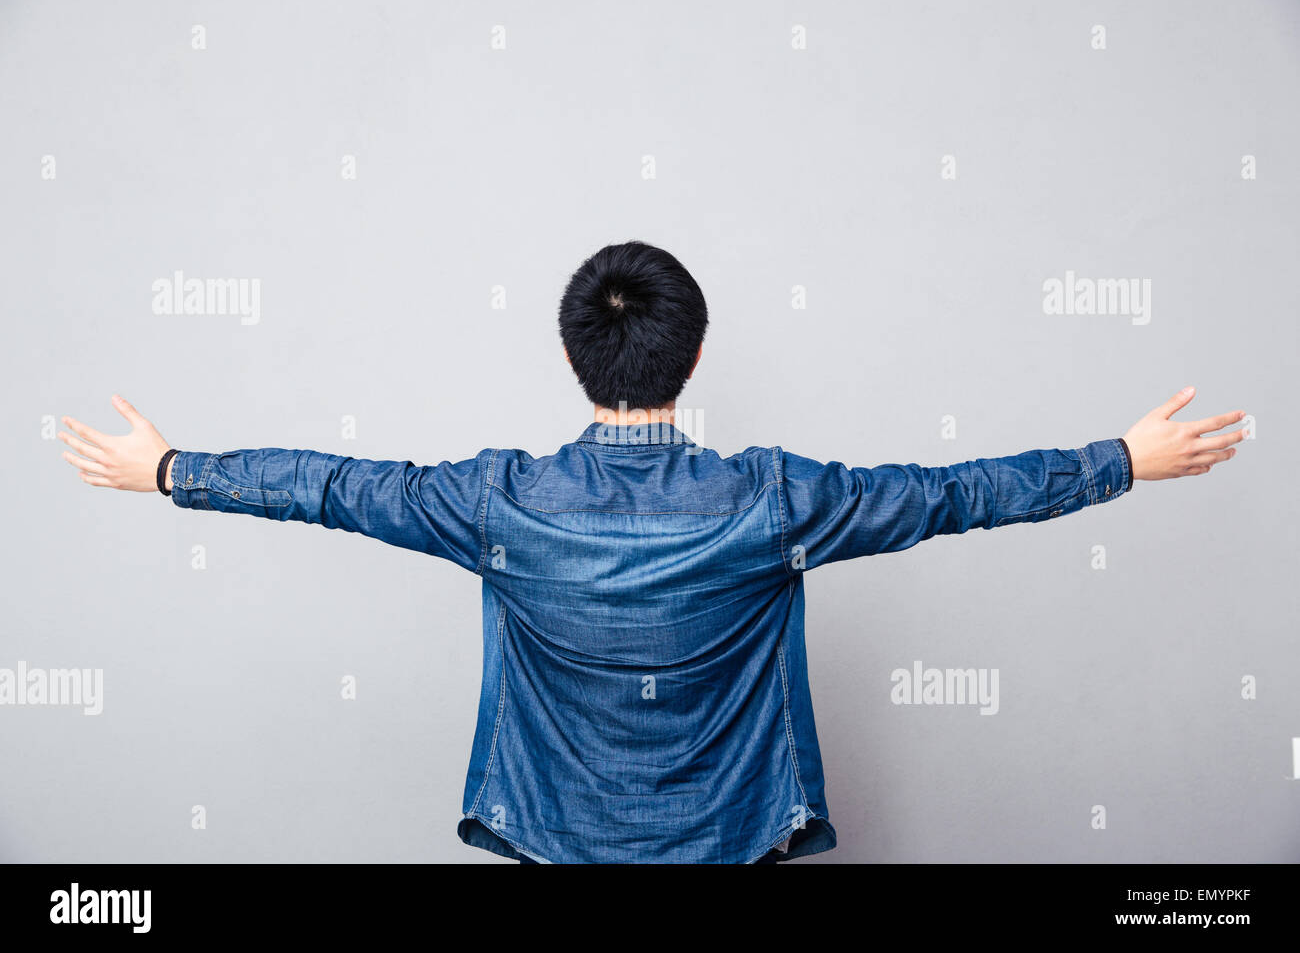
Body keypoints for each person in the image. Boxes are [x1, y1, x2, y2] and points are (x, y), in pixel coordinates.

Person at [59, 241, 1246, 863]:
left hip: (556, 837)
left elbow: (331, 485)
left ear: (577, 357)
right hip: (732, 842)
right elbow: (949, 494)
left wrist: (174, 469)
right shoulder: (773, 500)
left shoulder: (498, 503)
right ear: (690, 354)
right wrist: (1120, 458)